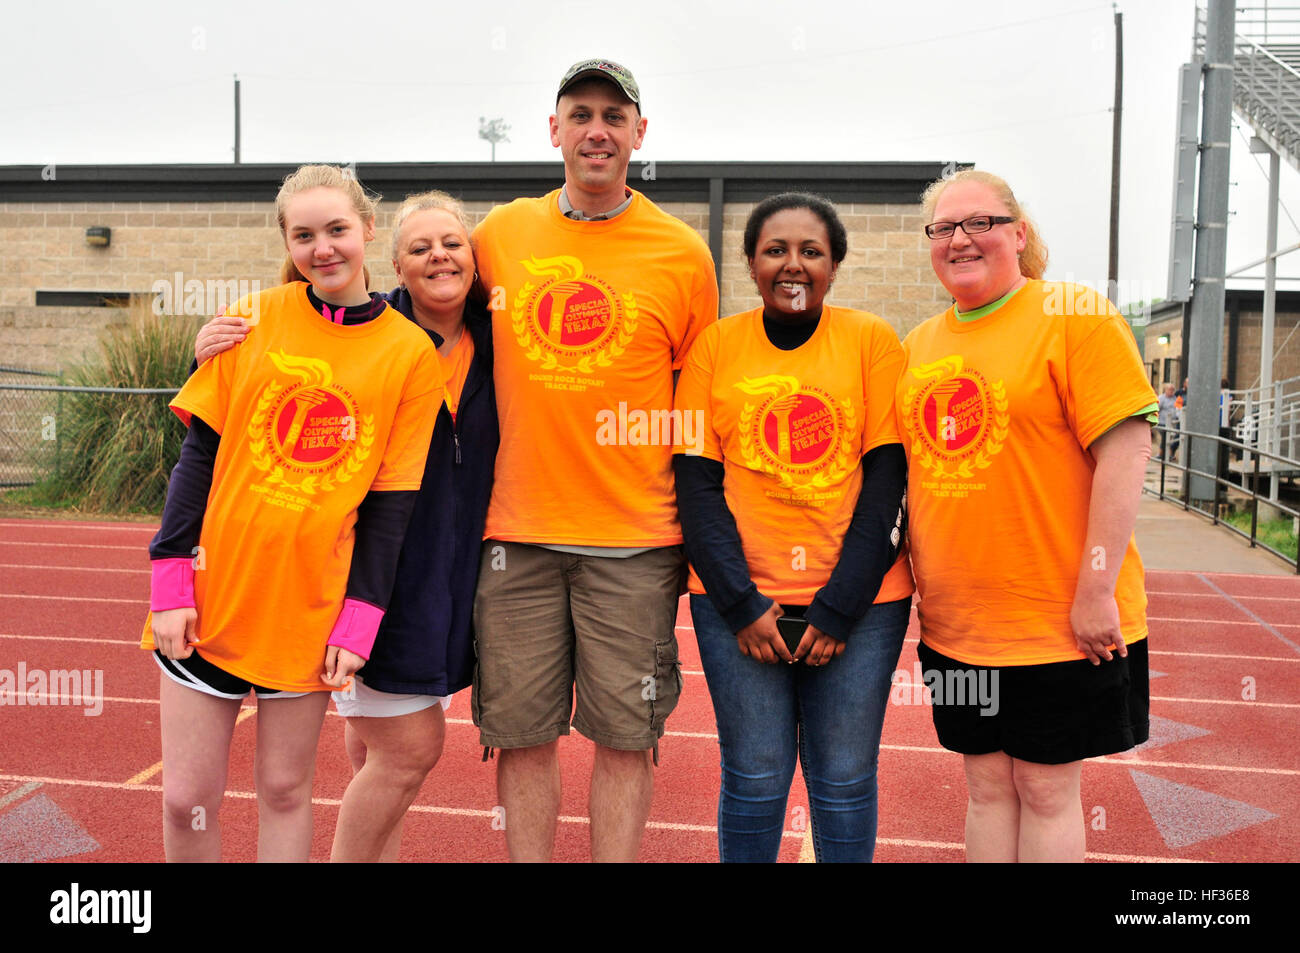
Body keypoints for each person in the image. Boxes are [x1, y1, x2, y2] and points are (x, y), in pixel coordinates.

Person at [142, 164, 442, 862]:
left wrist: (359, 618)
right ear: (288, 242)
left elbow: (391, 509)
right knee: (185, 796)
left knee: (284, 789)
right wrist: (169, 584)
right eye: (304, 234)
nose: (323, 247)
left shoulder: (408, 354)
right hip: (213, 597)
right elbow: (198, 458)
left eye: (337, 229)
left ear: (368, 230)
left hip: (309, 608)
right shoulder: (251, 319)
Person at [194, 190, 498, 862]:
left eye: (451, 244)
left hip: (453, 577)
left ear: (475, 259)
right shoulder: (360, 328)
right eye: (419, 247)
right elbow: (273, 381)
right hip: (370, 572)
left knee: (374, 753)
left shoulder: (502, 349)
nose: (438, 256)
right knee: (410, 749)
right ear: (393, 260)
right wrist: (206, 356)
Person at [470, 58, 718, 862]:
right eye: (580, 113)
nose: (597, 129)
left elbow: (701, 404)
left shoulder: (683, 254)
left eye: (615, 115)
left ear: (641, 133)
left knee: (624, 739)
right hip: (517, 536)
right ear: (554, 130)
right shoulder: (500, 236)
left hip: (636, 542)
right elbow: (414, 309)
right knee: (523, 737)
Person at [897, 168, 1155, 862]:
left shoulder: (1074, 315)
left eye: (979, 222)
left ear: (1019, 233)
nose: (961, 239)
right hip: (960, 624)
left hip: (1058, 619)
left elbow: (1128, 449)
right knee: (985, 786)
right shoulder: (920, 344)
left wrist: (1095, 589)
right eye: (944, 228)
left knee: (1045, 791)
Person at [672, 193, 912, 862]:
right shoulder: (716, 347)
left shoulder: (871, 342)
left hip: (861, 608)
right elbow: (696, 486)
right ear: (751, 262)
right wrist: (741, 604)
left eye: (811, 250)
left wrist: (838, 609)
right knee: (753, 778)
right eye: (776, 249)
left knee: (842, 780)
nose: (793, 264)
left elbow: (889, 485)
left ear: (834, 263)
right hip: (739, 608)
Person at [1158, 382, 1181, 461]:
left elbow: (1178, 408)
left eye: (1173, 390)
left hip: (1172, 423)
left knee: (1171, 438)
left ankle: (1168, 454)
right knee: (1165, 437)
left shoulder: (1175, 398)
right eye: (1170, 390)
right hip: (1162, 422)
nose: (1171, 391)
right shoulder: (1161, 398)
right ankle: (1161, 454)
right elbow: (1157, 409)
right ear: (1166, 390)